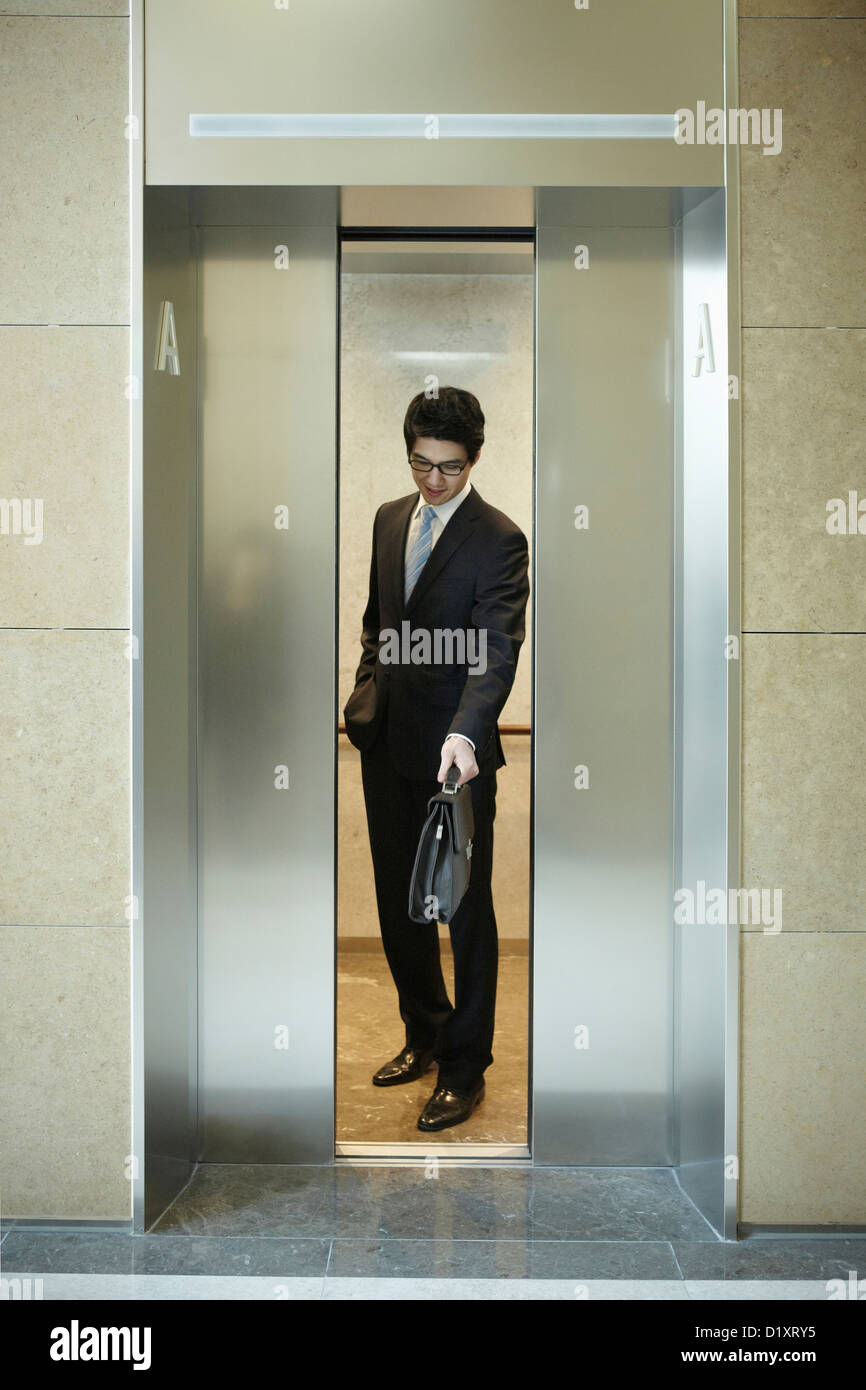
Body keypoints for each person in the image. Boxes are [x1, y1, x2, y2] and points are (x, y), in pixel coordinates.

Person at [343, 385, 530, 1131]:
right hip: (387, 742)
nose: (433, 481)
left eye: (448, 468)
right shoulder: (392, 519)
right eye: (421, 464)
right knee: (399, 903)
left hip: (457, 758)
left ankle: (464, 1066)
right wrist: (365, 695)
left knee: (463, 911)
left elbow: (496, 649)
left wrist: (467, 731)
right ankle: (423, 1031)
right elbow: (375, 625)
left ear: (475, 456)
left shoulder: (499, 538)